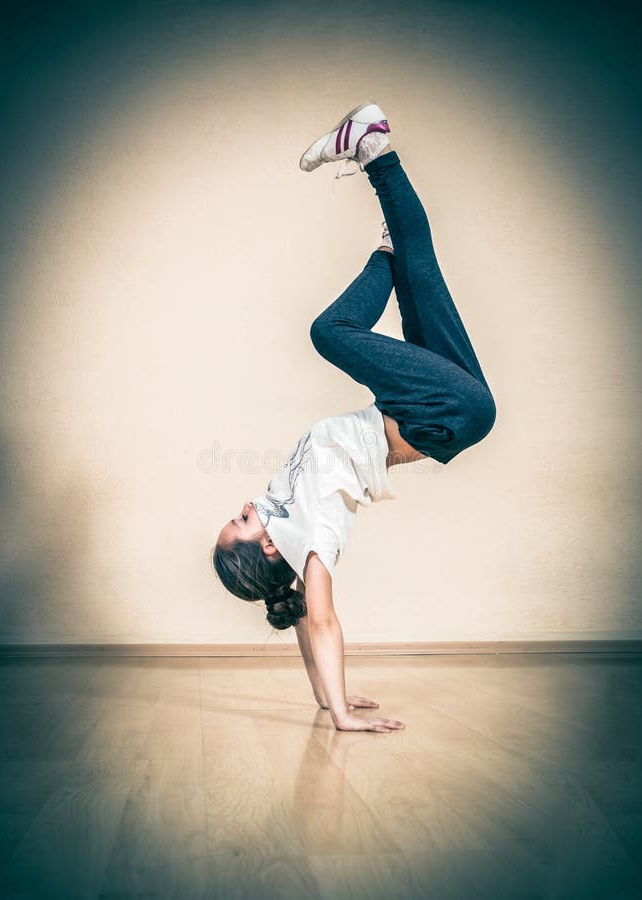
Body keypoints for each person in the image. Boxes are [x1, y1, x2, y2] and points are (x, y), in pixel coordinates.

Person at [211, 103, 497, 733]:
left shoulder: (286, 510)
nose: (243, 504)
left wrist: (322, 696)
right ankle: (384, 239)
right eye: (240, 519)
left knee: (416, 263)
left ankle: (375, 154)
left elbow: (299, 629)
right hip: (442, 414)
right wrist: (342, 716)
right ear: (264, 545)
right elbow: (321, 619)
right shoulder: (310, 539)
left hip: (422, 405)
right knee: (329, 330)